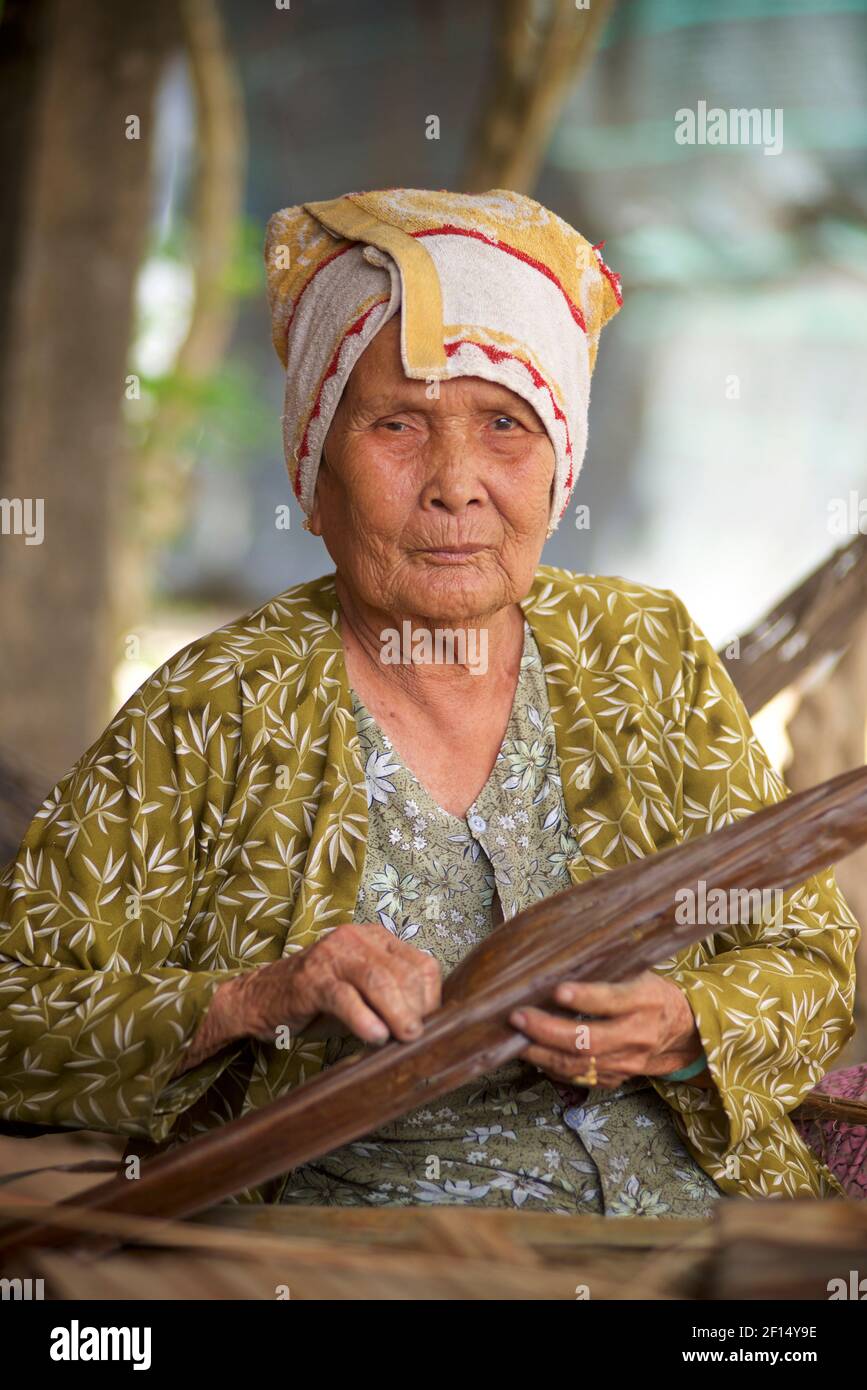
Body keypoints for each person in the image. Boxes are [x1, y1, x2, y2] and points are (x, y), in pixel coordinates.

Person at [0, 188, 858, 1214]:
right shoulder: (214, 709)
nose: (456, 482)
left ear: (559, 468)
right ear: (313, 468)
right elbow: (21, 1018)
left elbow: (813, 954)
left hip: (695, 1230)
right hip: (365, 1254)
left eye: (505, 424)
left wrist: (682, 1025)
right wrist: (260, 998)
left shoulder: (648, 655)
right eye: (397, 423)